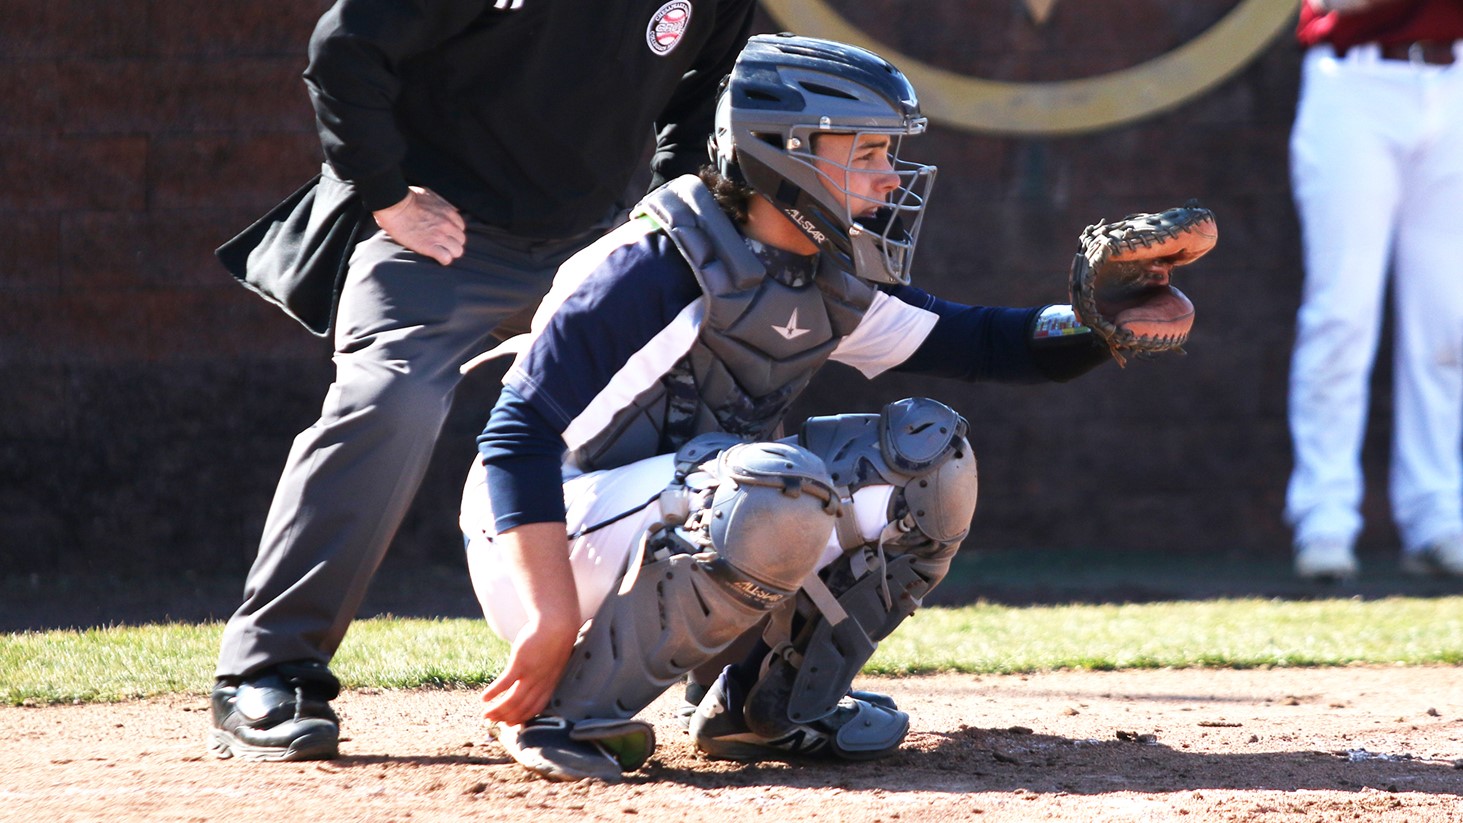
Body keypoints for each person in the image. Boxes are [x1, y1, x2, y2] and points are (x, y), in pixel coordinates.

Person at [459, 33, 1207, 783]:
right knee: (776, 486)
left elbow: (983, 344)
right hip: (541, 535)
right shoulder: (654, 264)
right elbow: (516, 435)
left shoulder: (823, 269)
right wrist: (547, 614)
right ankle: (562, 710)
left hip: (689, 511)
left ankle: (763, 709)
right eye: (867, 154)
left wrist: (1097, 320)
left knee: (927, 456)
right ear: (784, 151)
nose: (889, 179)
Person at [208, 0, 758, 762]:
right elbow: (344, 48)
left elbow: (709, 98)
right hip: (443, 235)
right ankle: (268, 670)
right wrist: (386, 195)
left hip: (593, 242)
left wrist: (667, 233)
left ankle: (746, 680)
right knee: (389, 401)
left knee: (714, 381)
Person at [1285, 0, 1463, 581]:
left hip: (1453, 78)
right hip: (1355, 82)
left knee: (1448, 323)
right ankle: (1324, 519)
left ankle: (1437, 516)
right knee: (1341, 313)